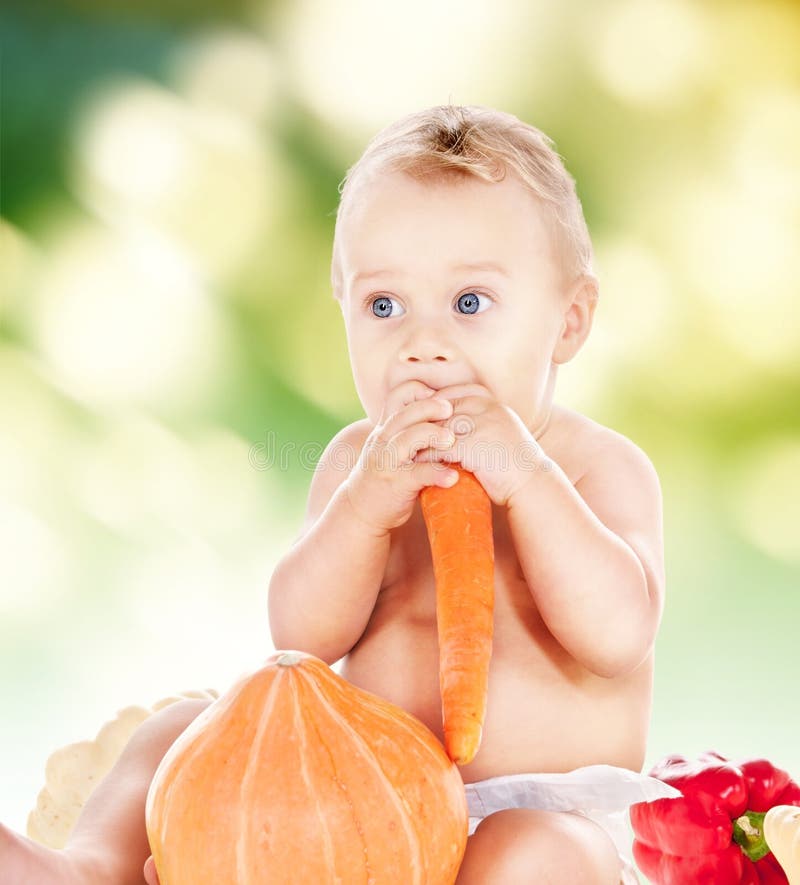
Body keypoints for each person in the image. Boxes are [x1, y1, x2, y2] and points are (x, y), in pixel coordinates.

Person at [0, 103, 677, 884]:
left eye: (469, 304)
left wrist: (525, 479)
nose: (422, 345)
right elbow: (301, 637)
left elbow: (619, 633)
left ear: (569, 321)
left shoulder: (602, 469)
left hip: (548, 811)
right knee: (179, 729)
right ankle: (85, 869)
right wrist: (363, 508)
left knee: (536, 853)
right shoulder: (360, 462)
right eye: (383, 306)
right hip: (359, 812)